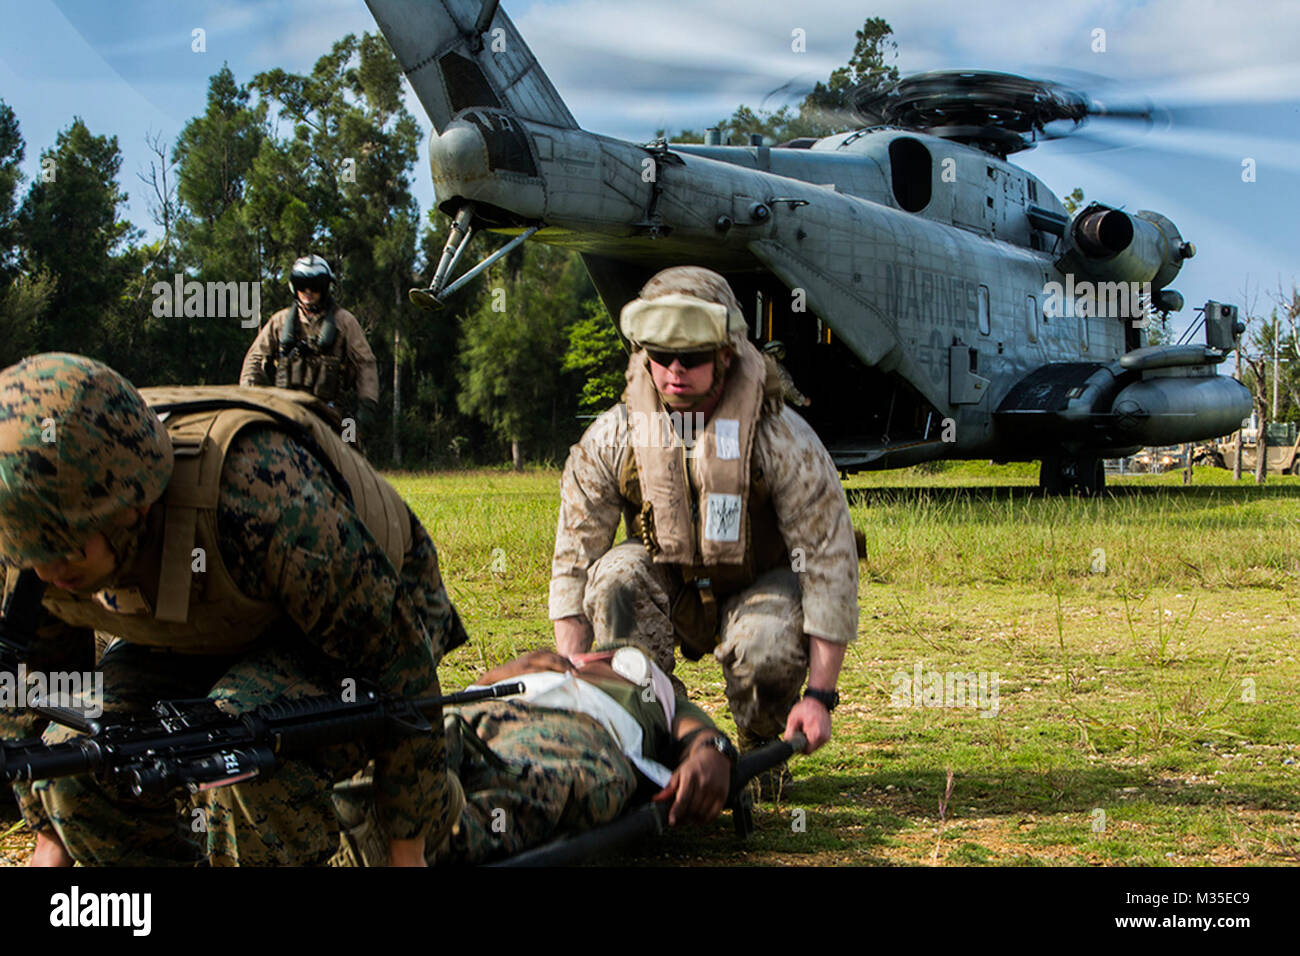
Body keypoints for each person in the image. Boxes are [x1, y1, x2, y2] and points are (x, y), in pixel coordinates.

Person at [0, 352, 465, 866]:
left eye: (65, 548)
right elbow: (36, 698)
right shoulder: (31, 536)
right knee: (82, 759)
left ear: (134, 507)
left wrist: (408, 847)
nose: (45, 572)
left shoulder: (266, 497)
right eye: (28, 555)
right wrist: (53, 826)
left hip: (369, 609)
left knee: (239, 758)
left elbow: (401, 672)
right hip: (204, 626)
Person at [549, 266, 858, 782]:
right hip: (664, 584)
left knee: (766, 641)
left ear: (725, 354)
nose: (674, 370)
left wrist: (820, 696)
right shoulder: (611, 438)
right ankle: (649, 735)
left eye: (690, 357)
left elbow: (829, 564)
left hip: (758, 587)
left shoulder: (783, 440)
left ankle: (761, 751)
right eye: (659, 356)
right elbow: (573, 565)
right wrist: (576, 682)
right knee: (613, 580)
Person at [331, 644, 736, 866]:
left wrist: (711, 753)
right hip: (482, 707)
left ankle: (381, 841)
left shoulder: (663, 695)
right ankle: (350, 814)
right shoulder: (553, 656)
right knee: (424, 748)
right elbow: (472, 689)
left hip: (579, 729)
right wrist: (510, 669)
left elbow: (704, 740)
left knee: (520, 788)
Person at [240, 254, 380, 443]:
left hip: (332, 412)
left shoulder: (344, 322)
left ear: (324, 288)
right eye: (302, 285)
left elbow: (366, 363)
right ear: (294, 287)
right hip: (286, 410)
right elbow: (255, 359)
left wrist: (367, 406)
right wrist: (248, 399)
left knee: (352, 455)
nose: (307, 291)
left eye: (314, 286)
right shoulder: (279, 322)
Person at [762, 340, 812, 408]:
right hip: (769, 406)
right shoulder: (776, 368)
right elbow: (786, 387)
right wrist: (802, 400)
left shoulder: (757, 364)